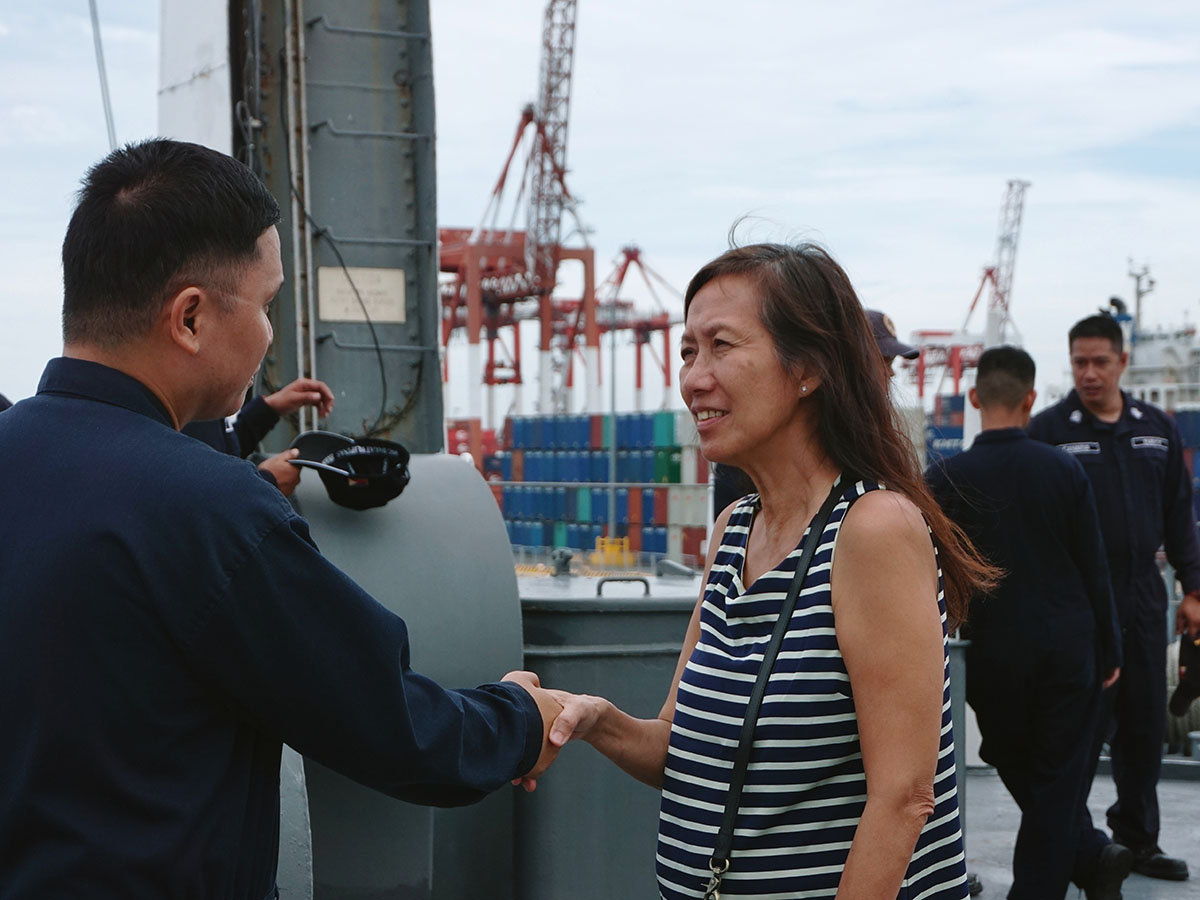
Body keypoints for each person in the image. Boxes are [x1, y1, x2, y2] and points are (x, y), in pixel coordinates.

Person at [0, 138, 561, 897]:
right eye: (266, 305)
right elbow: (390, 725)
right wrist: (521, 720)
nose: (269, 334)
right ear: (190, 317)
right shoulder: (212, 506)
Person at [538, 243, 995, 898]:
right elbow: (682, 751)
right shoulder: (733, 531)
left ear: (807, 369)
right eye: (688, 351)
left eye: (721, 345)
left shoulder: (873, 530)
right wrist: (592, 719)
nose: (693, 377)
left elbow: (904, 797)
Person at [926, 346, 1127, 900]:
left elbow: (930, 573)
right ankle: (1086, 859)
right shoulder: (1064, 468)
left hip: (993, 655)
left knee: (1012, 757)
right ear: (1031, 399)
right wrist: (1111, 651)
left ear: (973, 398)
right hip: (1069, 646)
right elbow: (1095, 566)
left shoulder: (944, 477)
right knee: (1059, 780)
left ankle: (1088, 860)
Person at [1028, 313, 1198, 882]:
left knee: (1145, 726)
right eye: (1079, 362)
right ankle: (1078, 845)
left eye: (1101, 361)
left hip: (1145, 599)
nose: (1089, 373)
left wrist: (1193, 587)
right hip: (1078, 605)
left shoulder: (1157, 428)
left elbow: (1179, 515)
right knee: (1076, 730)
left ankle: (1137, 840)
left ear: (1123, 362)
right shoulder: (1050, 430)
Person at [711, 307, 919, 513]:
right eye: (884, 361)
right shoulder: (780, 447)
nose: (890, 374)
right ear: (850, 361)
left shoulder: (867, 444)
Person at [183, 375, 335, 495]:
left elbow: (215, 452)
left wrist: (268, 410)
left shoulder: (189, 400)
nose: (269, 338)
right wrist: (266, 483)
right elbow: (196, 505)